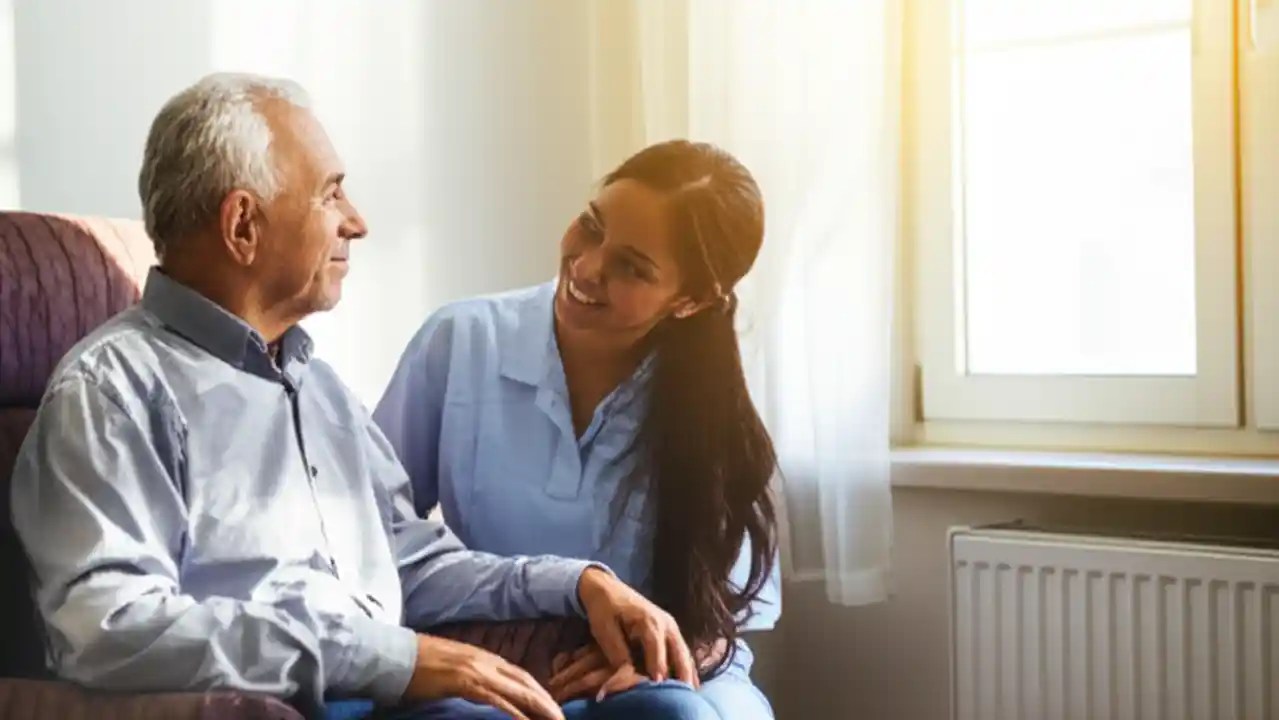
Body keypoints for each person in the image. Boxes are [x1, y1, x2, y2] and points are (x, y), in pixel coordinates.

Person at [9, 74, 709, 720]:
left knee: (670, 713)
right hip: (305, 705)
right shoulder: (112, 393)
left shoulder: (318, 387)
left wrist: (578, 582)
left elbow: (408, 561)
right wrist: (389, 658)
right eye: (330, 193)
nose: (358, 221)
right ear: (243, 226)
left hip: (396, 694)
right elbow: (106, 629)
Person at [375, 140, 782, 719]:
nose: (589, 267)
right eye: (592, 227)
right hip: (498, 658)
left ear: (689, 301)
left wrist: (655, 656)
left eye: (633, 268)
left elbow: (736, 608)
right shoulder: (462, 342)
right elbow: (367, 537)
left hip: (673, 668)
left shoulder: (715, 403)